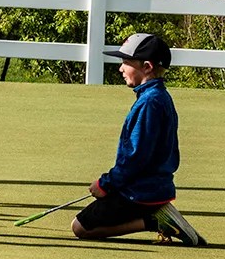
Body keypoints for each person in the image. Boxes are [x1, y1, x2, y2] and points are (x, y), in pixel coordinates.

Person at [71, 32, 206, 246]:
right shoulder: (158, 97)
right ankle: (155, 216)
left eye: (126, 62)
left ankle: (154, 221)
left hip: (139, 192)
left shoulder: (149, 103)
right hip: (154, 188)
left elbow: (135, 156)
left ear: (147, 67)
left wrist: (105, 184)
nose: (121, 68)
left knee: (80, 227)